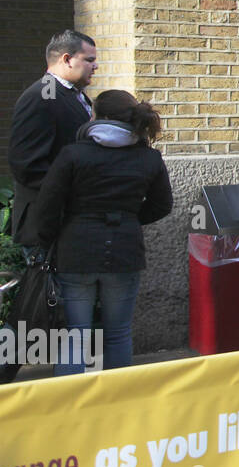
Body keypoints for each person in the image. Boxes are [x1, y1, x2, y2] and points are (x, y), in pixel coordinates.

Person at [30, 90, 172, 375]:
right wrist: (128, 219)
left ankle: (70, 404)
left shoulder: (73, 154)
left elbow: (47, 207)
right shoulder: (149, 158)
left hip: (76, 250)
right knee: (118, 332)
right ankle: (116, 405)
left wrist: (49, 241)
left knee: (76, 334)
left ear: (97, 117)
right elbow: (162, 205)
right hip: (125, 252)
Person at [8, 30, 98, 254]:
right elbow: (26, 165)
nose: (95, 67)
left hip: (68, 221)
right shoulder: (42, 95)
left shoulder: (73, 94)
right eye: (89, 60)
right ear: (67, 59)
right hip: (48, 223)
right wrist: (74, 191)